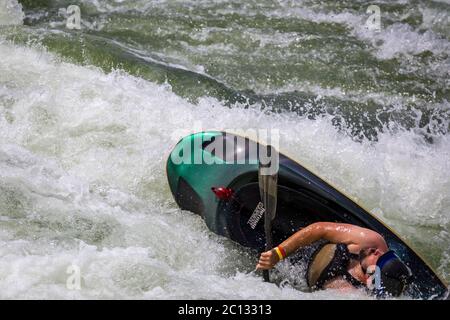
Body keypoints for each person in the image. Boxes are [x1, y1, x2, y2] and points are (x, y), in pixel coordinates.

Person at [256, 222, 412, 297]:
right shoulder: (372, 241)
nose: (377, 251)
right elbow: (321, 229)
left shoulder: (352, 294)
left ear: (370, 278)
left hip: (294, 275)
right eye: (385, 254)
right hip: (304, 243)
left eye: (378, 259)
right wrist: (279, 253)